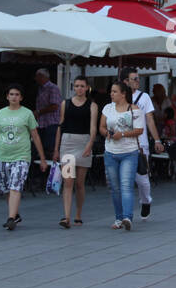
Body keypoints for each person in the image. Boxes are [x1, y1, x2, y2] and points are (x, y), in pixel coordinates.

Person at [0, 84, 50, 231]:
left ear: (21, 97)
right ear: (7, 96)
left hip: (21, 156)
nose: (14, 97)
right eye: (11, 94)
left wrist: (42, 158)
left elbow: (35, 136)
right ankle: (15, 214)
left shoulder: (27, 114)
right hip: (2, 156)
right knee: (6, 189)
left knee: (15, 186)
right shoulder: (0, 114)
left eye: (17, 94)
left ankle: (10, 218)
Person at [100, 78, 145, 230]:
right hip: (110, 151)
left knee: (126, 185)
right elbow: (101, 126)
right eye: (111, 91)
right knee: (114, 187)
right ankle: (118, 218)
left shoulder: (134, 109)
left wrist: (123, 135)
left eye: (114, 91)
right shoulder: (107, 108)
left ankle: (127, 217)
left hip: (128, 152)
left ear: (123, 94)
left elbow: (140, 130)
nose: (111, 94)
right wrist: (107, 132)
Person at [54, 76, 97, 229]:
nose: (79, 88)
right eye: (77, 86)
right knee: (68, 181)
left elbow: (93, 127)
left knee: (79, 183)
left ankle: (78, 213)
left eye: (82, 86)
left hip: (84, 141)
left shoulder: (92, 105)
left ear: (87, 88)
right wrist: (56, 148)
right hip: (67, 143)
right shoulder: (65, 103)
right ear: (74, 87)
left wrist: (90, 145)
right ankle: (66, 216)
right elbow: (61, 125)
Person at [126, 70, 165, 220]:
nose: (137, 81)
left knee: (142, 179)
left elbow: (149, 120)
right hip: (123, 143)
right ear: (126, 81)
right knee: (125, 179)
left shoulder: (144, 97)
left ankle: (146, 200)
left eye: (138, 78)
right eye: (134, 79)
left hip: (140, 143)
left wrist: (156, 140)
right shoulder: (119, 97)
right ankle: (126, 214)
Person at [33, 69, 62, 162]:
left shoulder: (53, 88)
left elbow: (55, 106)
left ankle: (52, 172)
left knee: (50, 149)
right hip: (41, 124)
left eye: (37, 76)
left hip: (51, 123)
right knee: (41, 148)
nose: (35, 78)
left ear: (43, 76)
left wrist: (39, 112)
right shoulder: (40, 89)